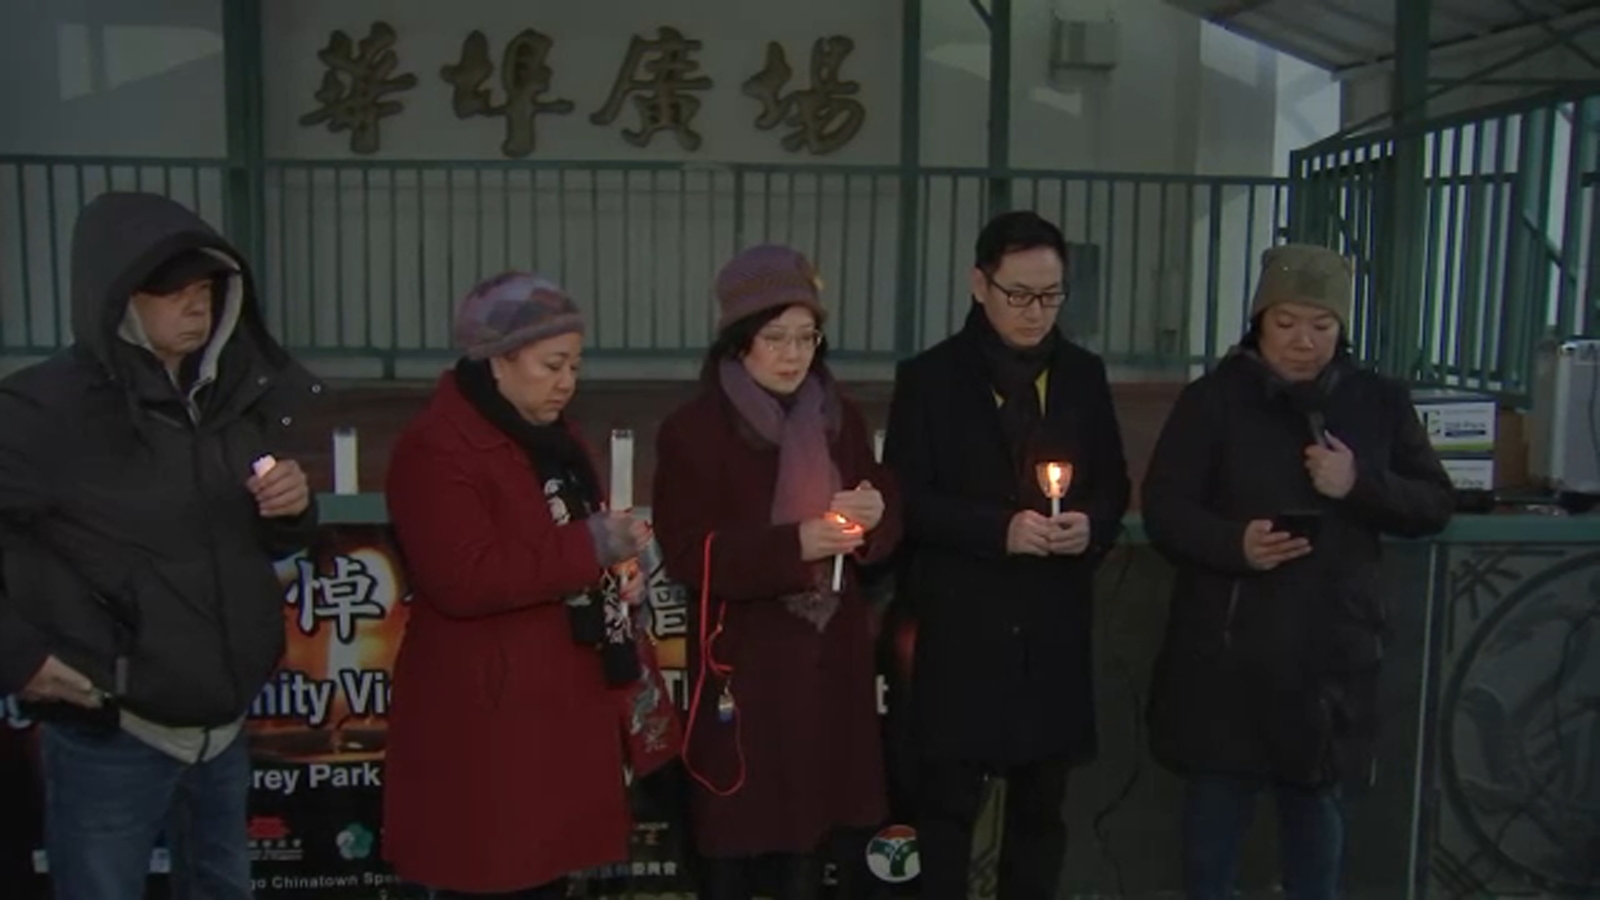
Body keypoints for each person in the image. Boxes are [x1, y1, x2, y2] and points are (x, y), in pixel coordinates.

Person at [0, 191, 321, 899]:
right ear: (118, 300)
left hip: (224, 722)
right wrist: (18, 657)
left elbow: (259, 537)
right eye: (171, 291)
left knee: (221, 885)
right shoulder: (43, 411)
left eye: (205, 290)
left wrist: (292, 509)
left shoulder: (232, 399)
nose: (195, 306)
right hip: (109, 728)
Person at [1142, 244, 1454, 900]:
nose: (1303, 342)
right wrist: (1234, 544)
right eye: (1286, 323)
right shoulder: (1214, 400)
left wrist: (1360, 482)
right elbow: (1165, 507)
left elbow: (1433, 503)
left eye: (1321, 324)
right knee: (1212, 838)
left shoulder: (1378, 402)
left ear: (1342, 330)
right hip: (1226, 660)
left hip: (1329, 662)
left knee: (1316, 834)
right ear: (1258, 322)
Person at [381, 272, 677, 899]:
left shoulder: (552, 439)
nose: (567, 382)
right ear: (496, 362)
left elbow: (565, 538)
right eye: (551, 365)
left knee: (546, 875)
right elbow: (463, 577)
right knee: (495, 874)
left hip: (558, 699)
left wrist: (610, 571)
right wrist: (590, 547)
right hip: (488, 718)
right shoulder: (436, 449)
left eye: (574, 365)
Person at [883, 210, 1131, 899]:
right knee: (945, 813)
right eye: (1018, 294)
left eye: (1050, 296)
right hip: (961, 626)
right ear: (979, 284)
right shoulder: (930, 379)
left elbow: (1112, 483)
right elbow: (910, 498)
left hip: (1050, 627)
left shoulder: (1081, 375)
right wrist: (1000, 530)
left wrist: (1092, 526)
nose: (1034, 312)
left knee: (1040, 815)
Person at [652, 244, 902, 900]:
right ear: (739, 342)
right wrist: (796, 545)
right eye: (775, 338)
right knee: (738, 841)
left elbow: (884, 511)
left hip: (829, 666)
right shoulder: (695, 431)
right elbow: (687, 552)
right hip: (749, 665)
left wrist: (873, 517)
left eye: (806, 338)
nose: (794, 355)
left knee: (813, 847)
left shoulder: (837, 416)